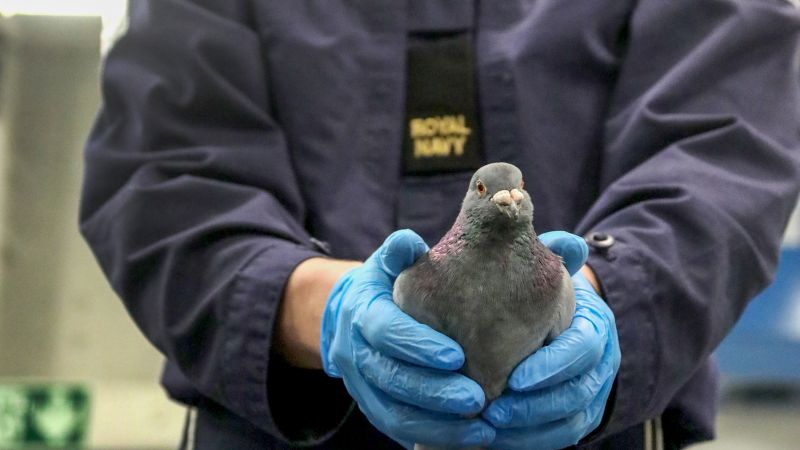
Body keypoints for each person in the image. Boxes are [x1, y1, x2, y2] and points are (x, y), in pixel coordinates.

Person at [79, 1, 800, 449]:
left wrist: (612, 297)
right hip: (276, 430)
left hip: (583, 432)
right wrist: (317, 311)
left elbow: (724, 145)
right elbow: (162, 170)